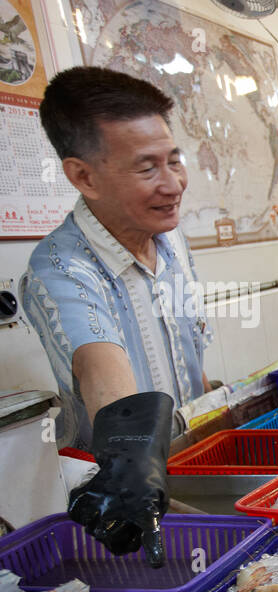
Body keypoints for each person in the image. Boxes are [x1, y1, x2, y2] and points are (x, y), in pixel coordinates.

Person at [21, 67, 211, 566]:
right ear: (83, 175)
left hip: (198, 467)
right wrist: (132, 468)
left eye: (175, 160)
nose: (173, 184)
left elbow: (191, 355)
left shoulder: (173, 243)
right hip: (127, 494)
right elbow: (99, 363)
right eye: (147, 168)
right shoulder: (61, 267)